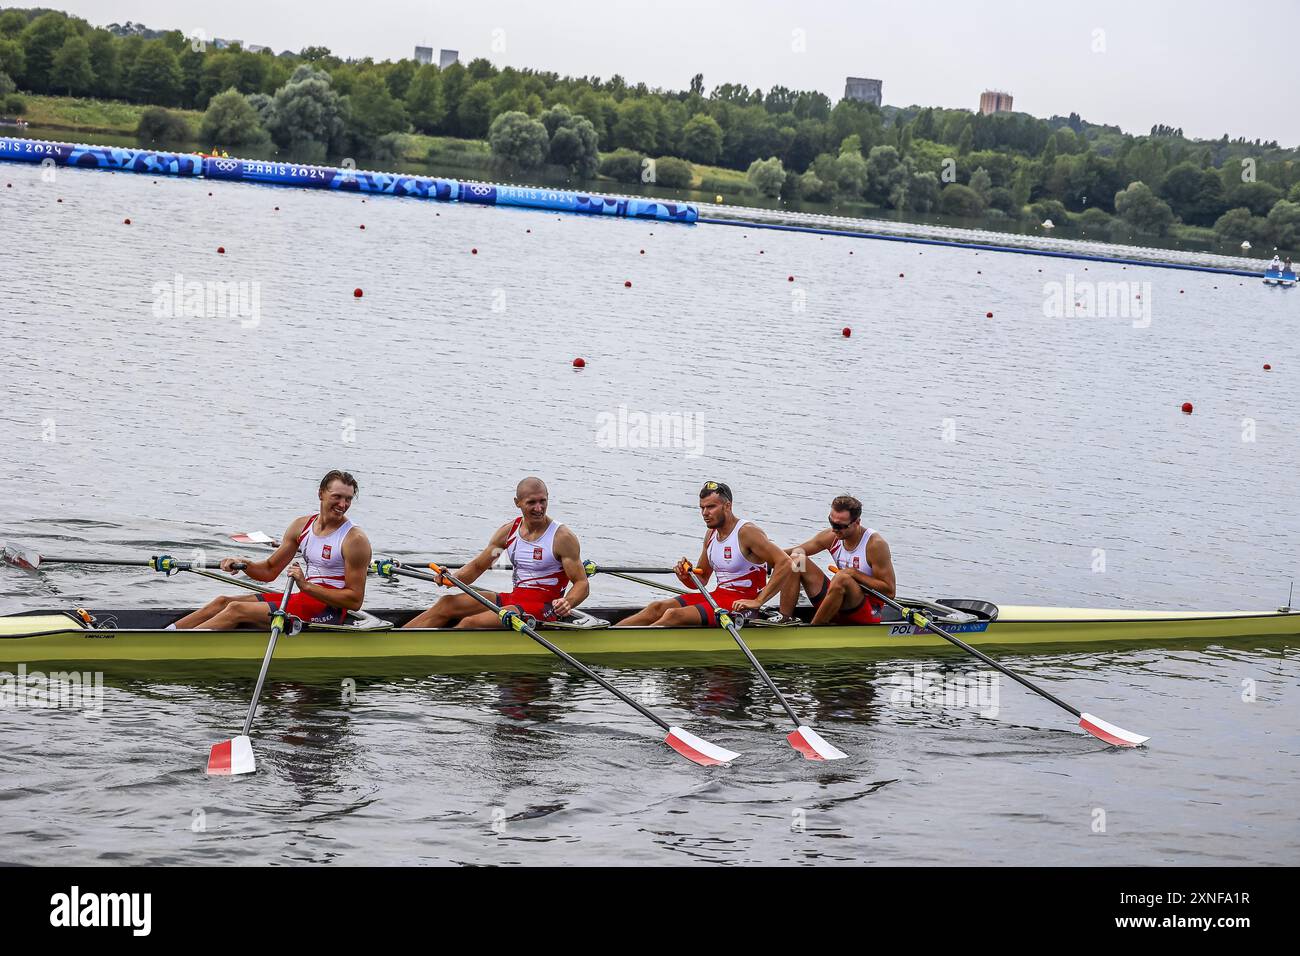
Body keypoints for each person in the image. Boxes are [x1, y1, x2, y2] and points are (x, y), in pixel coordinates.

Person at [169, 471, 372, 630]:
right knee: (222, 602)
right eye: (337, 497)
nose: (343, 504)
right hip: (304, 600)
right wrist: (244, 564)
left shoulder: (354, 540)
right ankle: (169, 632)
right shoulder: (301, 526)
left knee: (236, 609)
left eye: (348, 499)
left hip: (329, 611)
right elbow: (269, 571)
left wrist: (306, 586)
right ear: (320, 493)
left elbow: (354, 601)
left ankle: (174, 648)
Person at [402, 477, 588, 628]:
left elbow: (582, 584)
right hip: (515, 598)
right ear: (517, 503)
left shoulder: (562, 537)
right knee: (446, 604)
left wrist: (568, 602)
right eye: (531, 502)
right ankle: (400, 639)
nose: (539, 508)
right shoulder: (508, 533)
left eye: (543, 501)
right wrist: (451, 579)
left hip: (545, 607)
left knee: (470, 623)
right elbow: (478, 566)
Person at [616, 481, 791, 627]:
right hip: (718, 597)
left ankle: (626, 644)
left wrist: (759, 601)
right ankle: (610, 635)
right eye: (702, 508)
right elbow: (701, 580)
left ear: (727, 506)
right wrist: (685, 575)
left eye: (711, 507)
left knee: (673, 615)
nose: (705, 514)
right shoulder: (711, 534)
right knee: (657, 607)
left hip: (743, 606)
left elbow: (785, 562)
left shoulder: (747, 533)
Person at [777, 495, 896, 625]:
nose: (834, 529)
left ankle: (814, 630)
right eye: (831, 522)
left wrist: (854, 573)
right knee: (797, 559)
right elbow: (793, 552)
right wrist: (760, 554)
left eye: (839, 526)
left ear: (857, 522)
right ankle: (785, 620)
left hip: (868, 611)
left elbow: (889, 591)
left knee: (842, 578)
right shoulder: (832, 536)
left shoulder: (875, 544)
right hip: (838, 602)